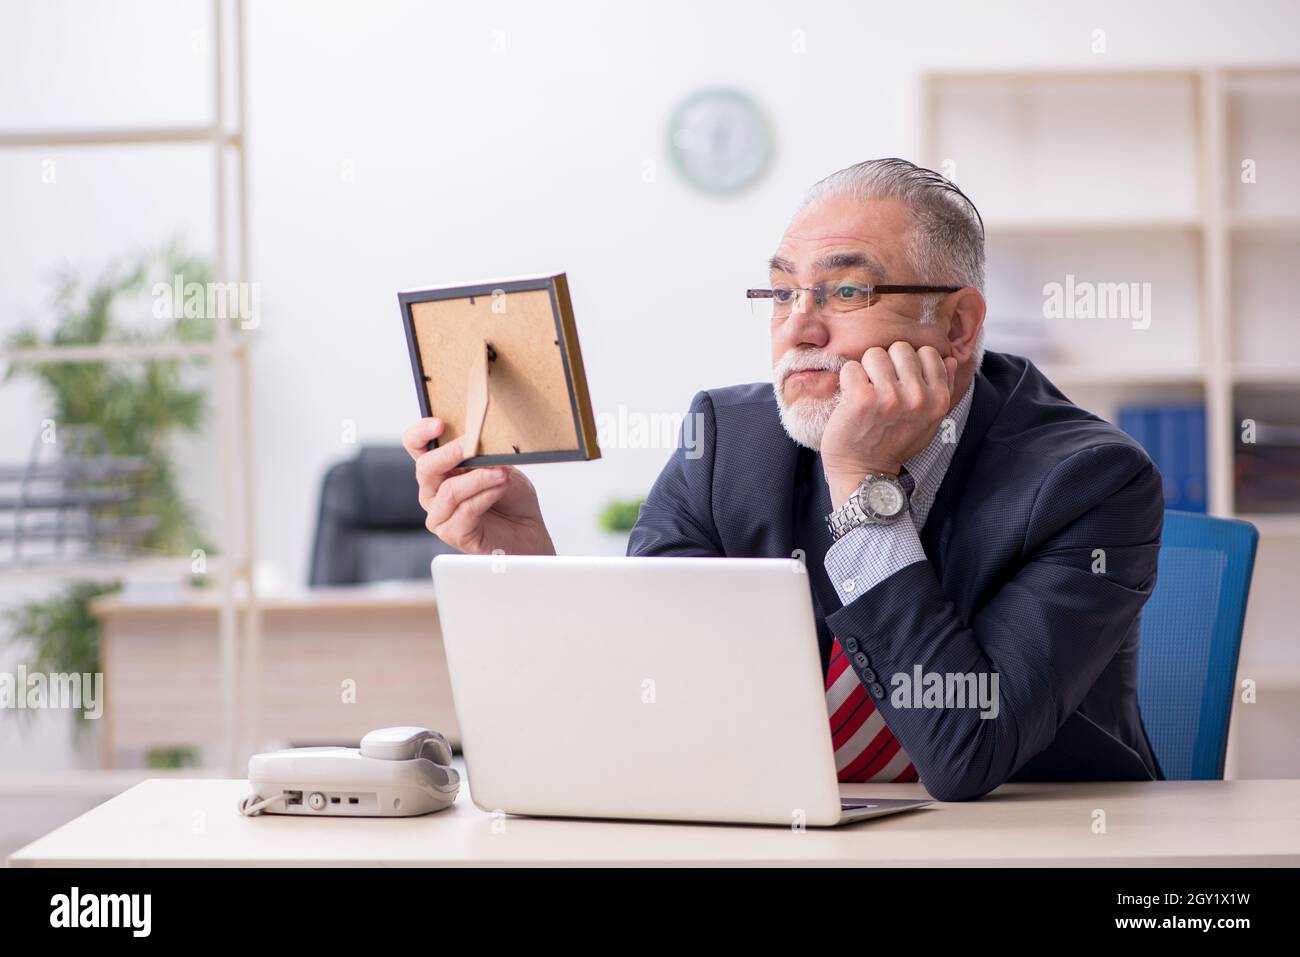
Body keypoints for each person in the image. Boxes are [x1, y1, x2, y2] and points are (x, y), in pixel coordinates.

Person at [402, 157, 1164, 802]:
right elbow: (646, 703)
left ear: (957, 327)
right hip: (781, 827)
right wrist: (530, 562)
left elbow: (968, 750)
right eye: (780, 292)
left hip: (1036, 838)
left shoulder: (1090, 481)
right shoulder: (725, 445)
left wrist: (862, 485)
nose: (799, 326)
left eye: (845, 292)